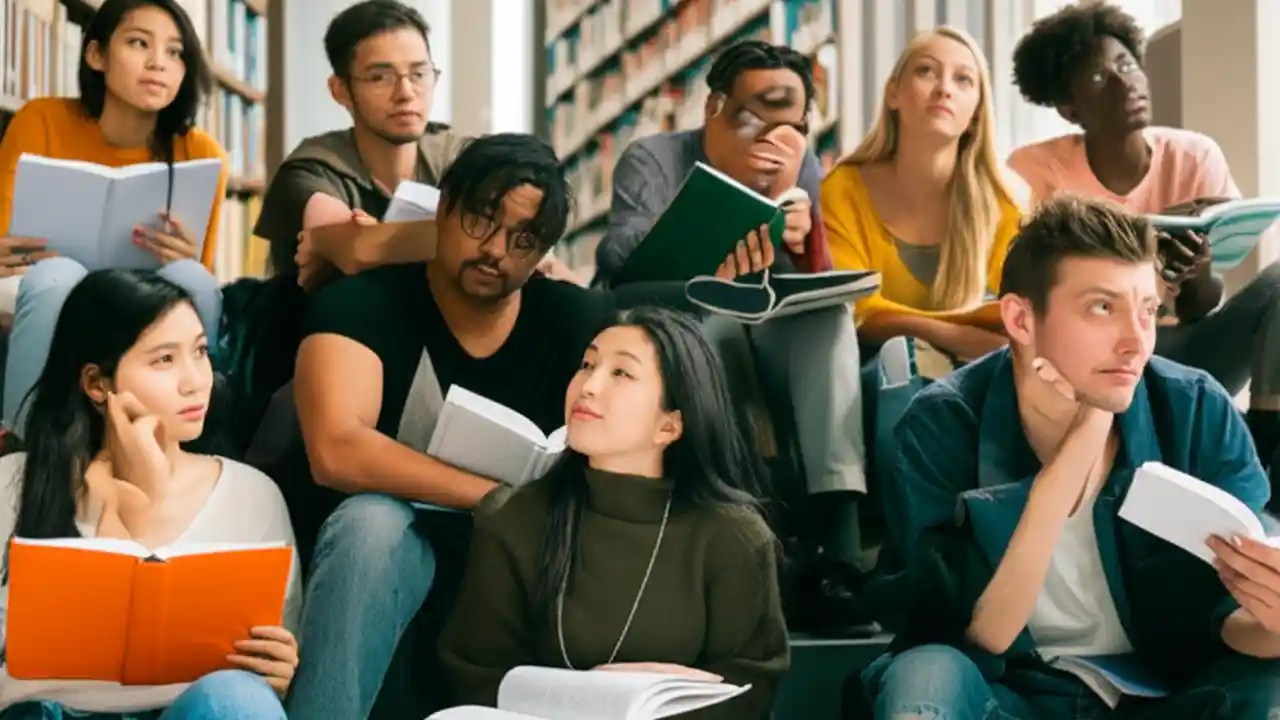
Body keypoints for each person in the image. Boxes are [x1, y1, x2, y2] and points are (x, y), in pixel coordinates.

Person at [285, 133, 745, 719]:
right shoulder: (361, 304)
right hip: (406, 529)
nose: (496, 250)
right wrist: (496, 498)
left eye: (523, 239)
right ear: (443, 208)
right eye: (481, 220)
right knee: (370, 524)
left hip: (536, 534)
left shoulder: (574, 318)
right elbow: (338, 449)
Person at [861, 196, 1280, 720]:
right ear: (1019, 318)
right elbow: (985, 633)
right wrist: (1078, 447)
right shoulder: (942, 423)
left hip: (1165, 691)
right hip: (1007, 691)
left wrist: (1272, 624)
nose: (1136, 341)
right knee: (922, 680)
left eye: (1147, 310)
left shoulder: (1196, 409)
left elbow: (1228, 622)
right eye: (1102, 307)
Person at [595, 39, 868, 576]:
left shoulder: (802, 166)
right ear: (713, 108)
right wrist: (709, 228)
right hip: (677, 319)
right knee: (719, 312)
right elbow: (618, 258)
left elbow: (811, 282)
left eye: (786, 126)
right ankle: (754, 528)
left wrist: (801, 232)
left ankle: (840, 535)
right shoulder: (654, 158)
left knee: (829, 319)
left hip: (762, 326)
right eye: (751, 119)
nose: (768, 140)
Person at [438, 307, 788, 719]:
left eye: (621, 373)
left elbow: (750, 689)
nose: (588, 385)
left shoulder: (734, 536)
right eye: (587, 365)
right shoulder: (512, 517)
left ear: (669, 426)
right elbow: (475, 677)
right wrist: (596, 692)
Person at [0, 269, 299, 719]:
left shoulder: (251, 495)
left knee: (237, 700)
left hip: (186, 711)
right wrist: (122, 510)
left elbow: (268, 662)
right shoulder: (12, 484)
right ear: (98, 384)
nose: (196, 380)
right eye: (164, 360)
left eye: (200, 352)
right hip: (41, 714)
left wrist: (278, 670)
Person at [1006, 2, 1280, 474]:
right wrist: (1141, 238)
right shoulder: (1038, 168)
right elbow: (1039, 281)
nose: (1123, 83)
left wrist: (1199, 268)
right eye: (1098, 79)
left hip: (1182, 344)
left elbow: (1199, 306)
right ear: (1071, 109)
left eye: (1127, 65)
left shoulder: (1194, 156)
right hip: (1091, 357)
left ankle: (1266, 445)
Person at [0, 0, 227, 438]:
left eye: (176, 53)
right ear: (96, 55)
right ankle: (23, 441)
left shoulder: (201, 153)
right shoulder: (42, 119)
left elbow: (203, 270)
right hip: (44, 275)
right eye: (139, 43)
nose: (158, 63)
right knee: (56, 277)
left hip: (141, 285)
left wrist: (185, 255)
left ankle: (198, 435)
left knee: (195, 279)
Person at [821, 26, 1022, 364]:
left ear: (975, 114)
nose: (944, 89)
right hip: (875, 372)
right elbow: (856, 311)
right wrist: (955, 334)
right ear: (893, 94)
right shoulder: (843, 190)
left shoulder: (1001, 205)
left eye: (963, 80)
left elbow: (1017, 308)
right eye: (926, 71)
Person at [254, 0, 468, 290]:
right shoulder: (311, 167)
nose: (405, 93)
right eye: (380, 77)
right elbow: (355, 249)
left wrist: (380, 241)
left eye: (418, 74)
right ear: (340, 90)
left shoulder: (457, 155)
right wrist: (469, 240)